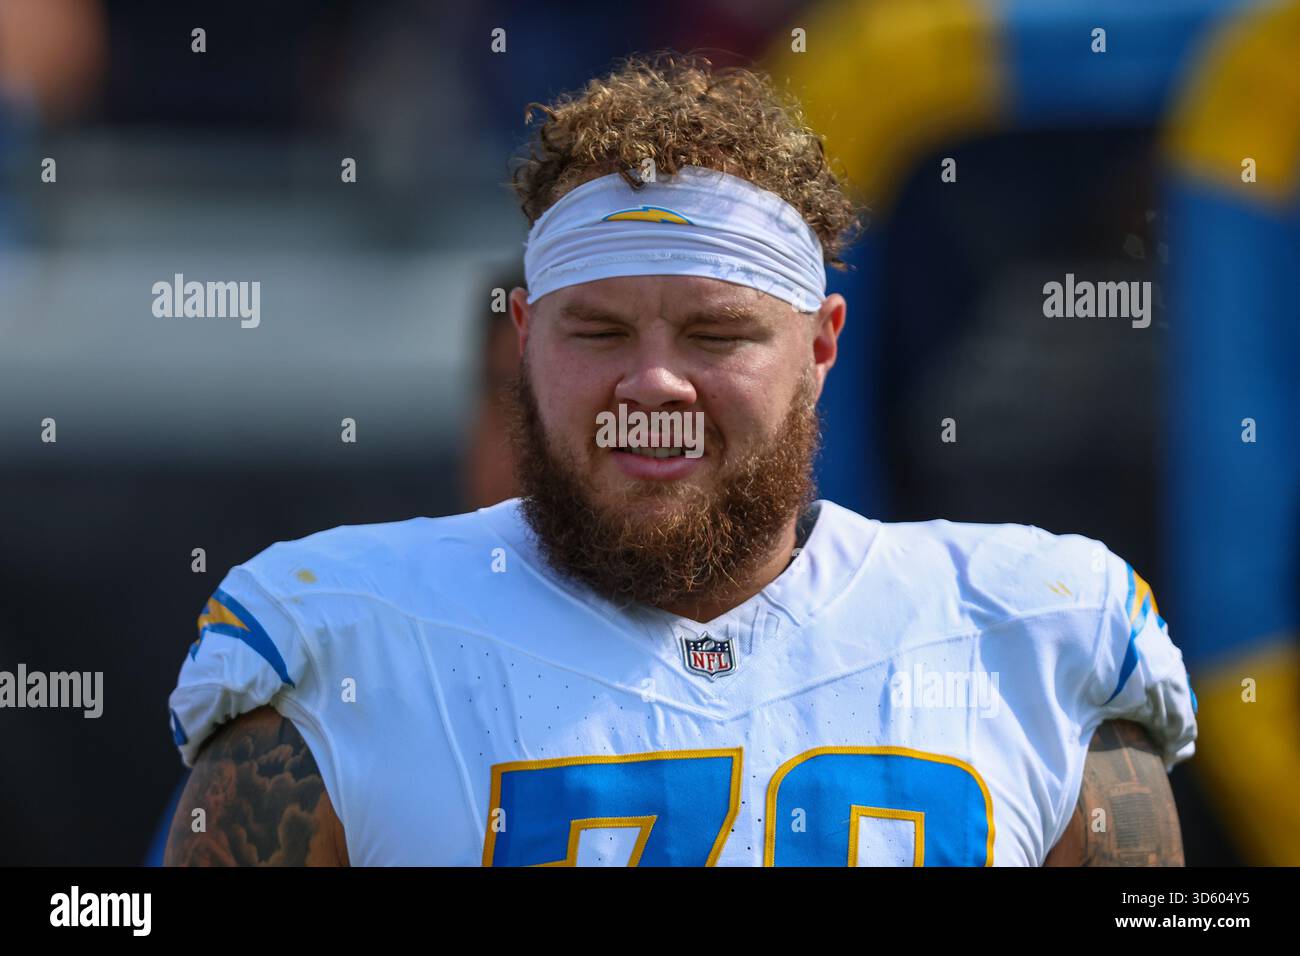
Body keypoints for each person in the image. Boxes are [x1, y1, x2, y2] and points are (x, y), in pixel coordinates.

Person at [163, 53, 1195, 866]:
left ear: (822, 344)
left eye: (715, 334)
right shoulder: (344, 641)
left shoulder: (1037, 633)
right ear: (523, 338)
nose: (653, 383)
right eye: (599, 332)